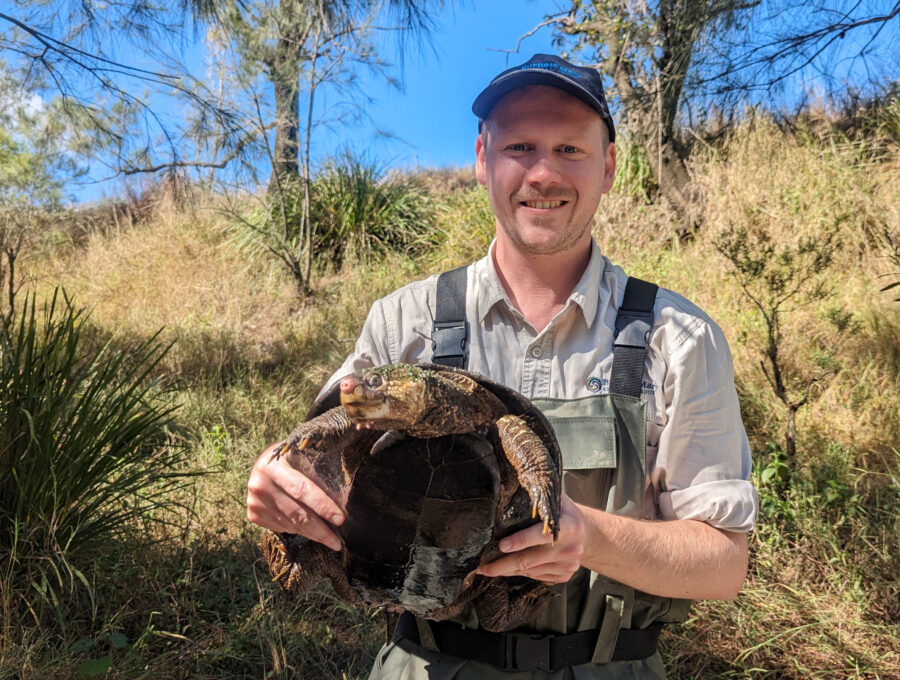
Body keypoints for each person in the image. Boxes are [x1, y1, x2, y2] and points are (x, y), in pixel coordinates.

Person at [246, 53, 758, 679]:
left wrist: (586, 537)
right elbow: (311, 452)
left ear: (610, 166)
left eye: (570, 148)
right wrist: (277, 476)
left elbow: (724, 564)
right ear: (484, 159)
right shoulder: (404, 322)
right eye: (520, 146)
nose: (543, 173)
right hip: (427, 660)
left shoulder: (678, 338)